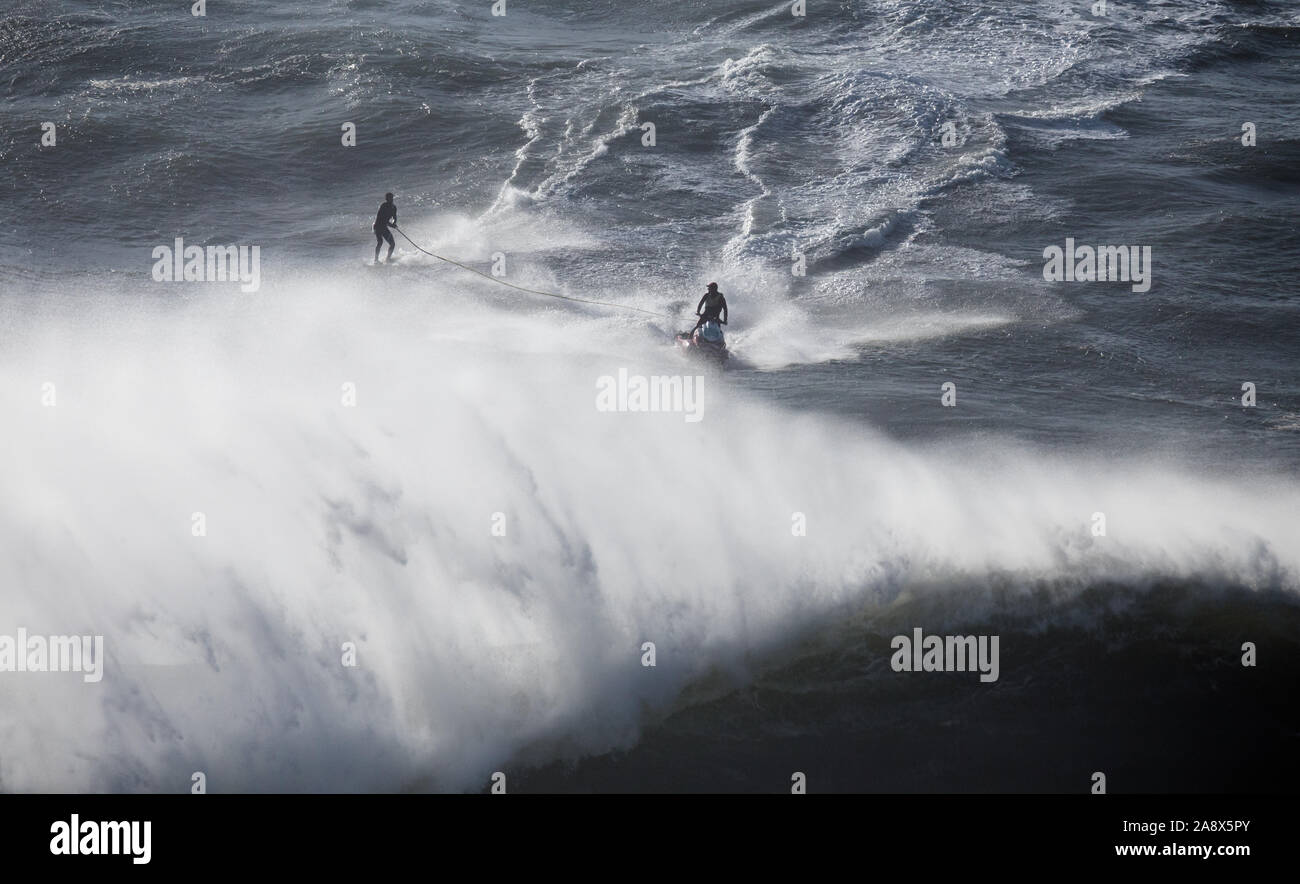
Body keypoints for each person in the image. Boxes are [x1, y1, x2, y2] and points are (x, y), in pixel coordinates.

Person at [373, 192, 398, 264]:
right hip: (377, 226)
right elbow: (382, 219)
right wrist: (391, 225)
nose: (390, 200)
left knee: (392, 244)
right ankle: (376, 260)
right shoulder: (383, 206)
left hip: (384, 227)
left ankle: (388, 259)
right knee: (380, 242)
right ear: (386, 199)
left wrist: (394, 223)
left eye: (391, 198)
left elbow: (394, 217)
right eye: (388, 198)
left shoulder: (394, 207)